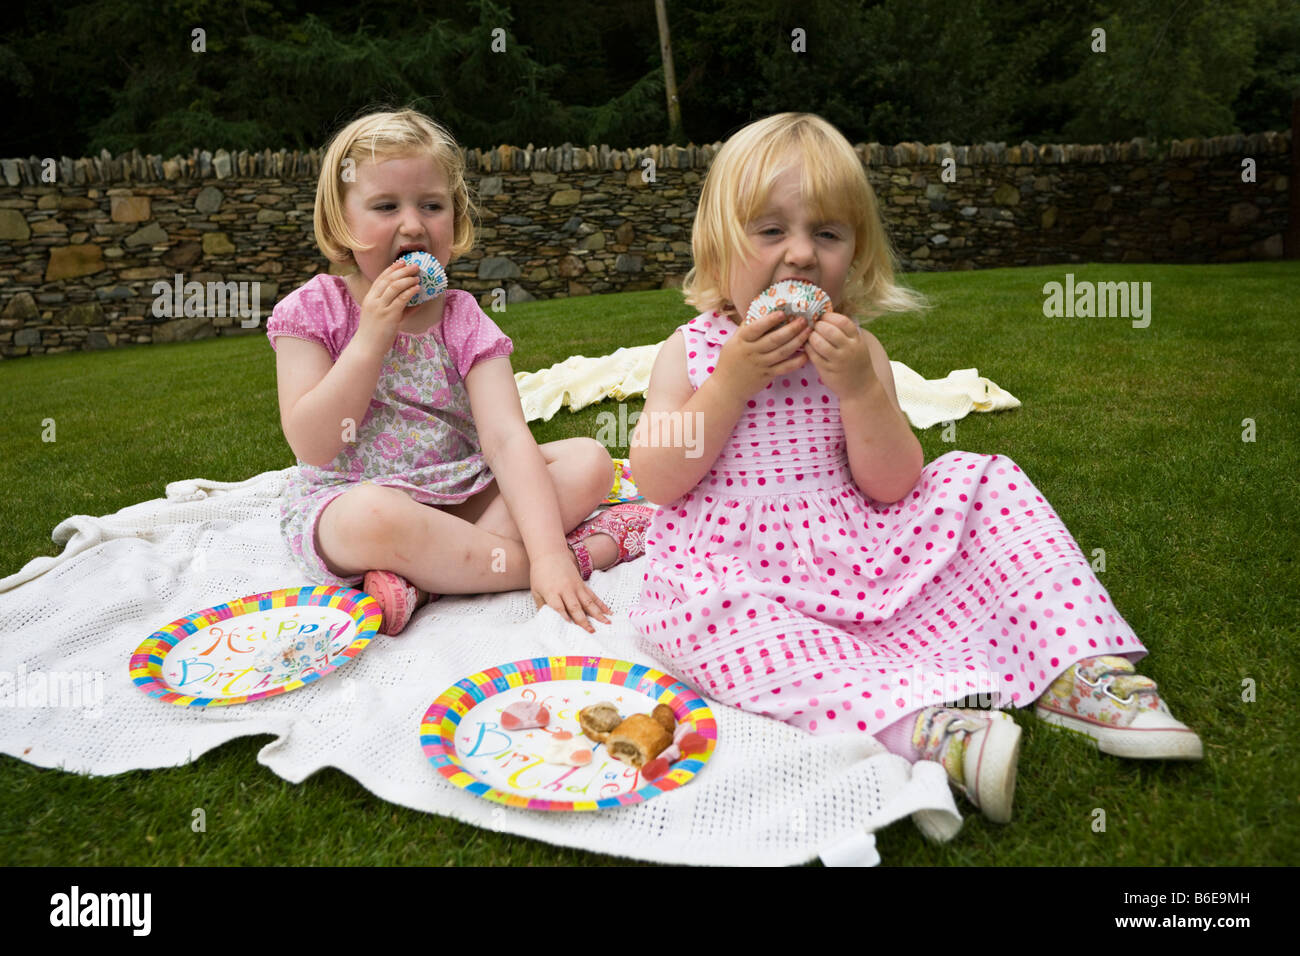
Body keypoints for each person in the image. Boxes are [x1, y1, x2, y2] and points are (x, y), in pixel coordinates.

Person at [627, 112, 1201, 836]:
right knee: (723, 623)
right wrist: (730, 385)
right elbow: (654, 476)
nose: (801, 255)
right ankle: (931, 731)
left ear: (855, 256)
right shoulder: (694, 352)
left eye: (827, 235)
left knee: (984, 478)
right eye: (771, 232)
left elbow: (895, 484)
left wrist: (863, 391)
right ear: (718, 254)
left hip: (851, 548)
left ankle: (1076, 667)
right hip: (733, 567)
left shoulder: (858, 350)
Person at [266, 108, 651, 636]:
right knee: (371, 515)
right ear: (341, 223)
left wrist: (546, 549)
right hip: (353, 498)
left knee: (588, 461)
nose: (413, 224)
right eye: (385, 206)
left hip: (461, 496)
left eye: (431, 205)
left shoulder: (462, 317)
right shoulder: (313, 310)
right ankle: (579, 558)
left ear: (455, 219)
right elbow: (313, 444)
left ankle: (423, 581)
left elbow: (507, 439)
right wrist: (372, 336)